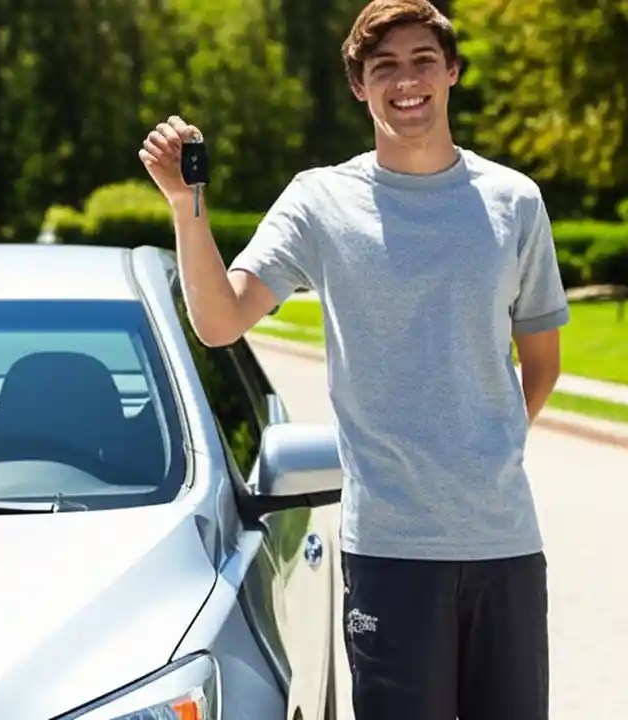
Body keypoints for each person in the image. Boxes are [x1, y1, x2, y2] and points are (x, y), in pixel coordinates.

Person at [138, 1, 568, 719]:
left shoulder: (513, 202)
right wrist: (187, 204)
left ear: (452, 72)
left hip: (505, 543)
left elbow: (543, 361)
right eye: (384, 67)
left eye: (423, 61)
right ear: (359, 88)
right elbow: (218, 321)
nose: (407, 82)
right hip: (390, 552)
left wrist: (488, 443)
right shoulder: (321, 202)